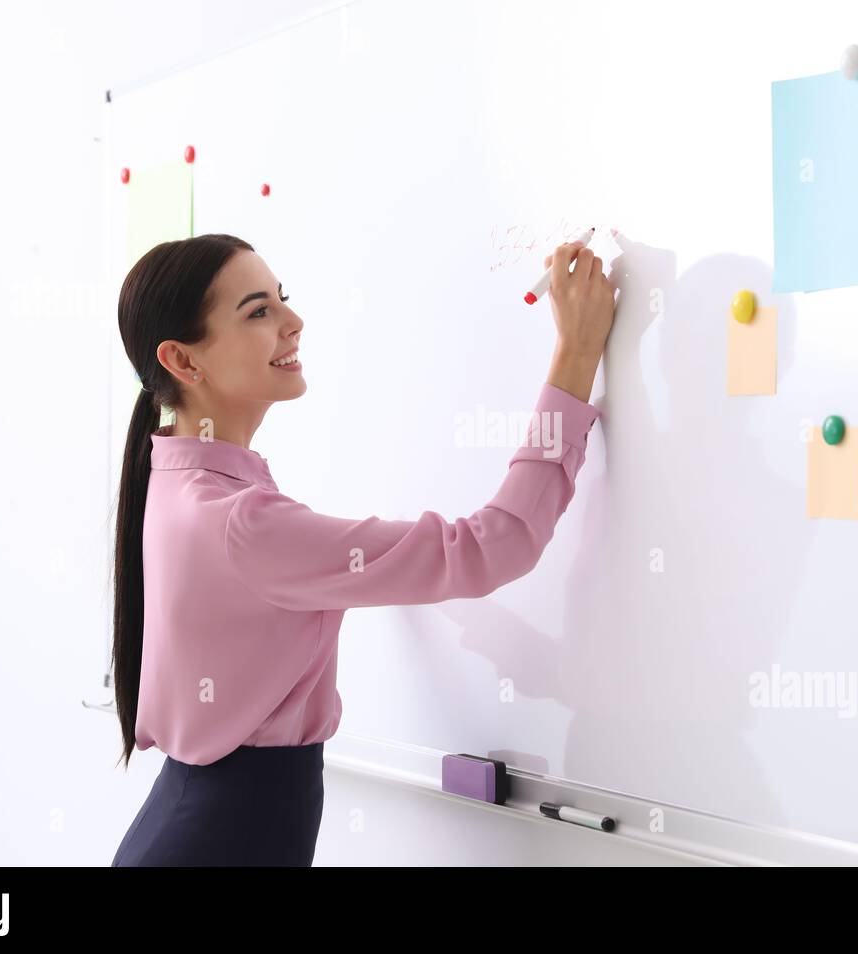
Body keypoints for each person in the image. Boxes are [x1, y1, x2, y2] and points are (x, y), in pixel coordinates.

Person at [109, 232, 616, 866]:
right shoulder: (243, 523)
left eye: (281, 299)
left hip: (193, 827)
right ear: (185, 362)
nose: (294, 323)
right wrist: (575, 357)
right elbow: (498, 545)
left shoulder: (174, 481)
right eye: (258, 311)